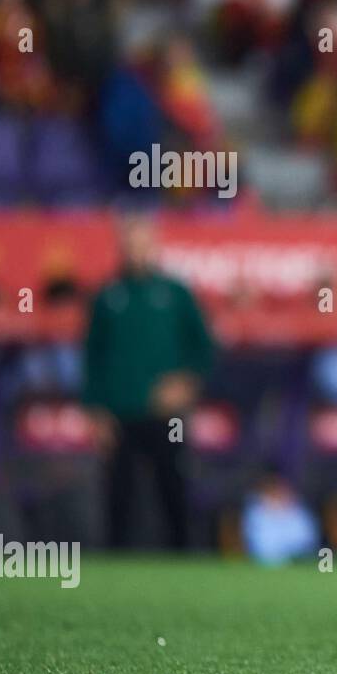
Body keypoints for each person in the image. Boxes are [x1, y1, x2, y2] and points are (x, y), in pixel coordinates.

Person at [82, 215, 216, 548]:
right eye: (131, 245)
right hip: (120, 413)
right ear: (122, 248)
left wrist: (186, 383)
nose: (137, 252)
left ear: (155, 246)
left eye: (143, 244)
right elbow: (91, 357)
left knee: (174, 487)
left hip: (165, 414)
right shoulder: (107, 297)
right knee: (118, 496)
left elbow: (203, 348)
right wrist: (95, 411)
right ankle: (114, 574)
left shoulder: (175, 293)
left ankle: (183, 563)